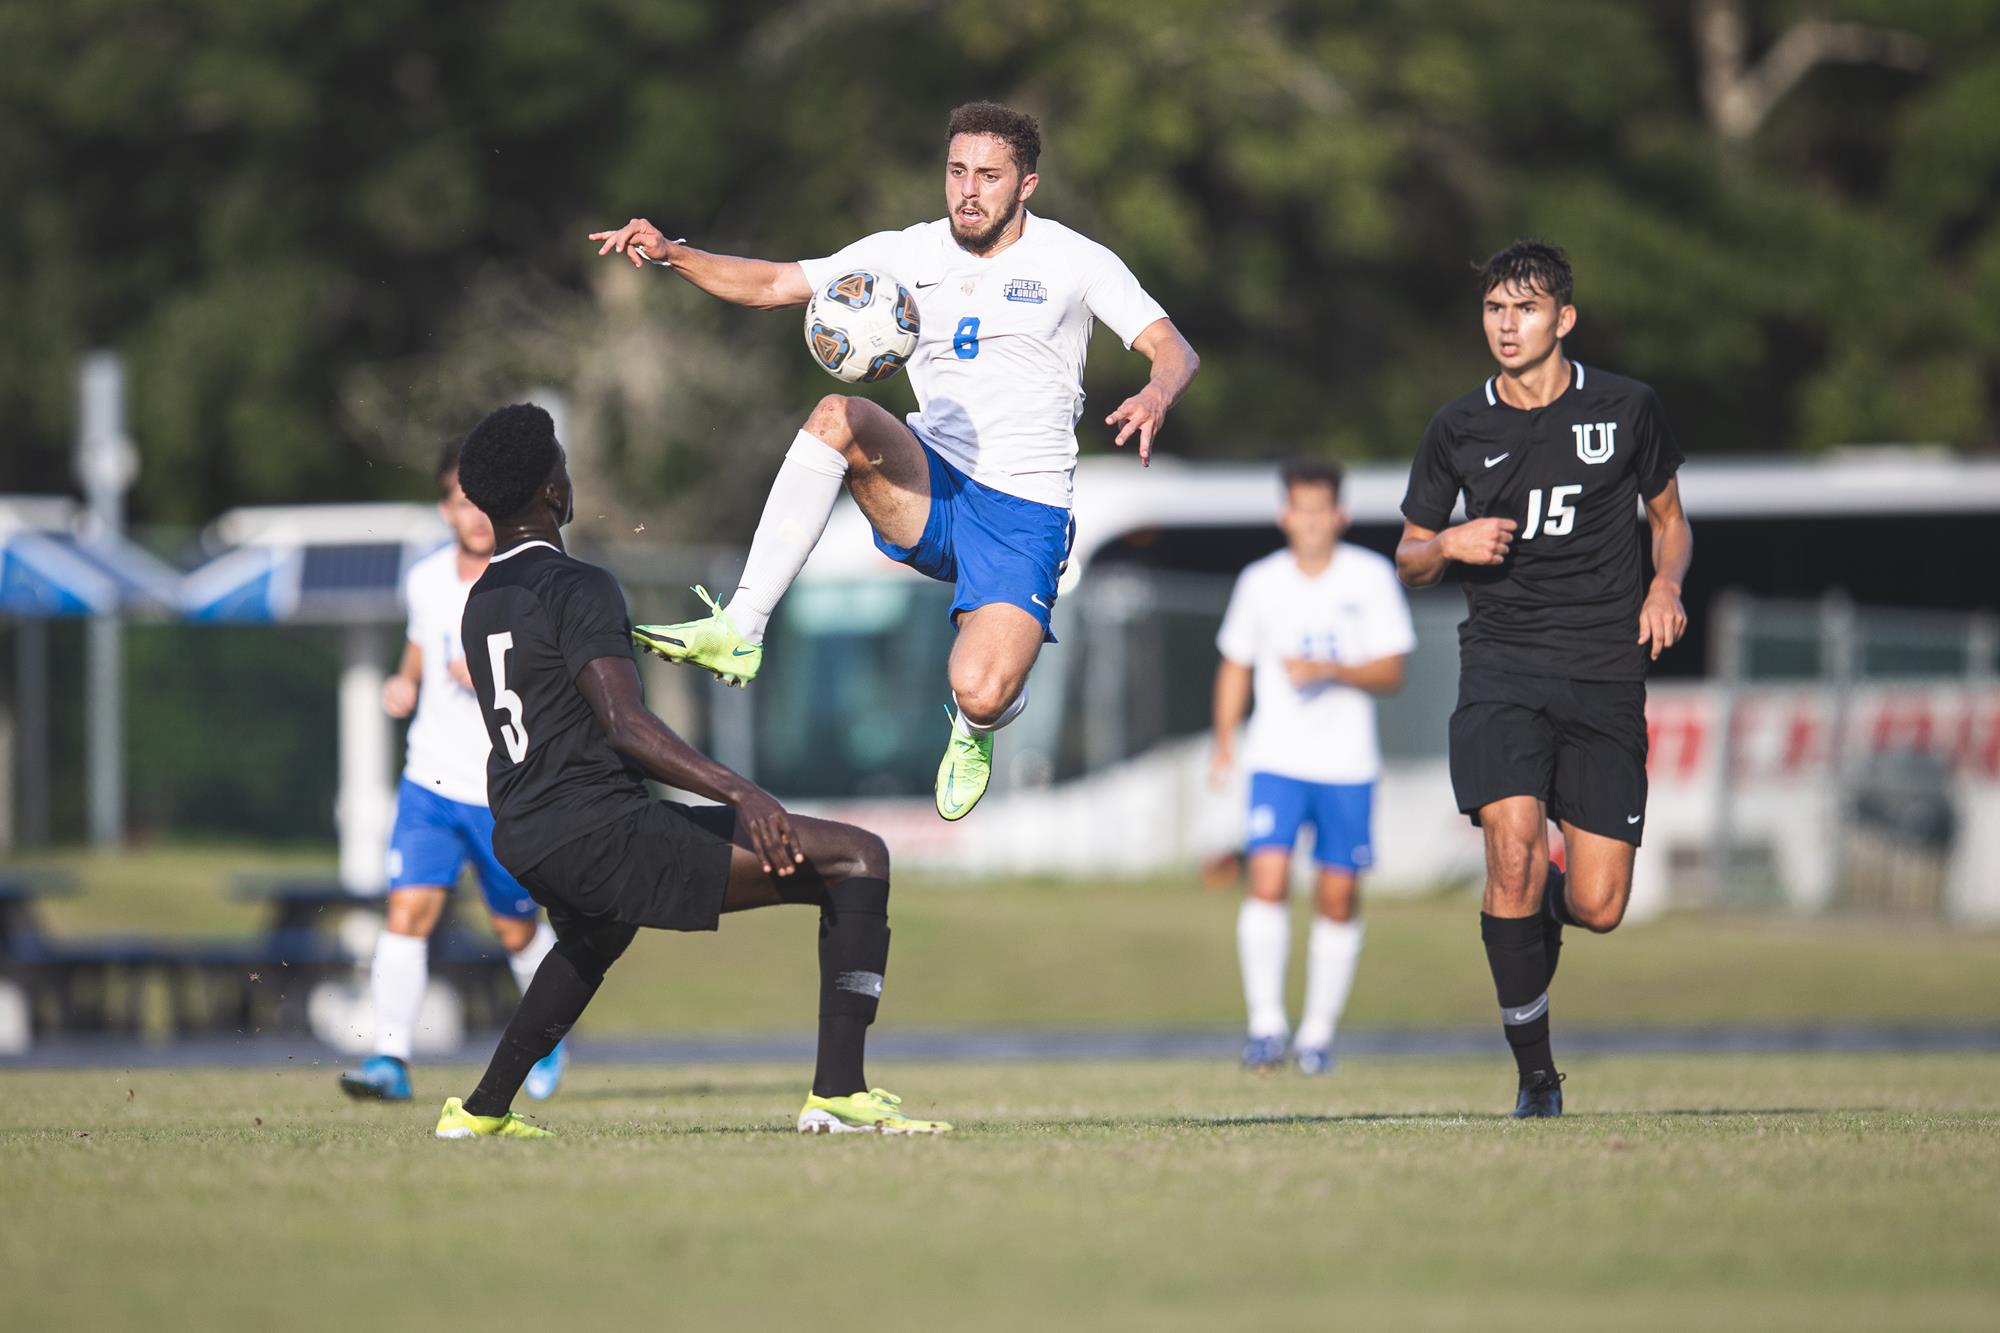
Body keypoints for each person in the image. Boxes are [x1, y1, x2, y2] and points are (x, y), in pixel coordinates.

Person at [589, 100, 1199, 822]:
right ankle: (742, 628)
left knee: (979, 687)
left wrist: (1157, 394)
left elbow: (1174, 347)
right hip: (930, 482)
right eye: (957, 171)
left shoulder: (1074, 260)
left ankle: (983, 722)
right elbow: (777, 285)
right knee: (835, 416)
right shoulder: (907, 253)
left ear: (1026, 186)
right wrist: (674, 253)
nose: (968, 191)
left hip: (1022, 515)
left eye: (989, 176)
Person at [435, 403, 949, 1139]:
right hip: (596, 830)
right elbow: (625, 725)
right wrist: (745, 792)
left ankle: (481, 1110)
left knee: (594, 936)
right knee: (858, 857)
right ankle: (840, 1090)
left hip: (523, 829)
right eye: (561, 462)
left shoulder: (483, 599)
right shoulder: (580, 585)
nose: (567, 473)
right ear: (552, 491)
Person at [1395, 240, 1692, 1118]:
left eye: (1524, 309)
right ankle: (1537, 1076)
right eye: (1494, 309)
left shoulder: (1628, 407)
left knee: (1598, 904)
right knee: (1513, 850)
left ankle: (1529, 915)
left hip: (1604, 674)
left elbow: (1671, 520)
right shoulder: (1457, 427)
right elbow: (1408, 555)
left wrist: (1665, 584)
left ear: (1563, 318)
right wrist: (1447, 544)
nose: (1506, 325)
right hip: (1502, 666)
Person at [339, 444, 568, 1104]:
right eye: (460, 502)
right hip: (429, 783)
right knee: (407, 910)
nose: (473, 515)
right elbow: (419, 644)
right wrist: (403, 684)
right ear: (445, 509)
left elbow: (555, 672)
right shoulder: (427, 579)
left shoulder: (527, 579)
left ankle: (548, 1037)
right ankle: (390, 1057)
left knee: (515, 929)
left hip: (502, 787)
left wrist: (500, 670)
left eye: (481, 501)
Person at [1212, 459, 1414, 1075]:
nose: (1311, 521)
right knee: (1267, 880)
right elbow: (1235, 662)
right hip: (1276, 757)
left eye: (1321, 509)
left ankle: (1318, 1035)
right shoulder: (1261, 581)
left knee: (1337, 894)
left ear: (1339, 515)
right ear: (1285, 516)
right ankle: (1266, 1028)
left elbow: (1392, 670)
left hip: (1347, 764)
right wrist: (1225, 741)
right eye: (1300, 508)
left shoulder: (1372, 577)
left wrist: (1332, 670)